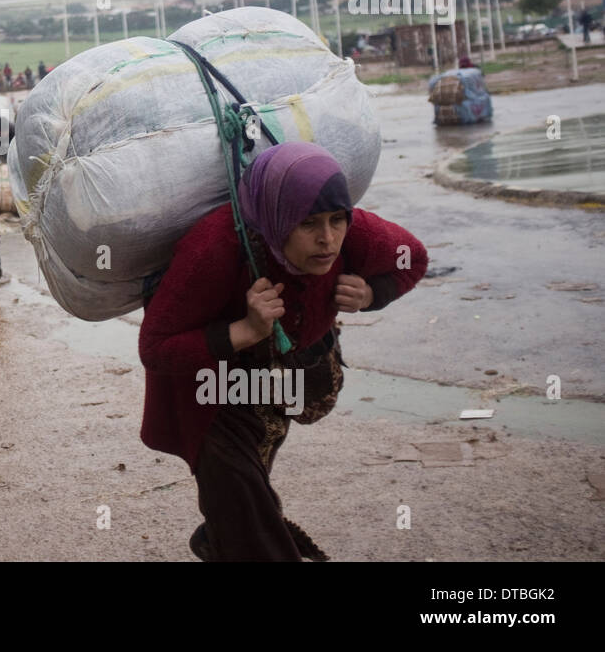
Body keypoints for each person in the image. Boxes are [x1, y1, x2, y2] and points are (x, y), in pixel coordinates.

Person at [138, 142, 427, 561]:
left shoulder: (354, 232)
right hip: (215, 388)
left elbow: (412, 258)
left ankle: (221, 536)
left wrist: (371, 292)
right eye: (308, 223)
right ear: (276, 219)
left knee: (246, 494)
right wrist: (245, 330)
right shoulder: (213, 250)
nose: (328, 240)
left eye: (336, 220)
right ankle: (237, 533)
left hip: (293, 375)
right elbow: (156, 348)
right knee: (242, 494)